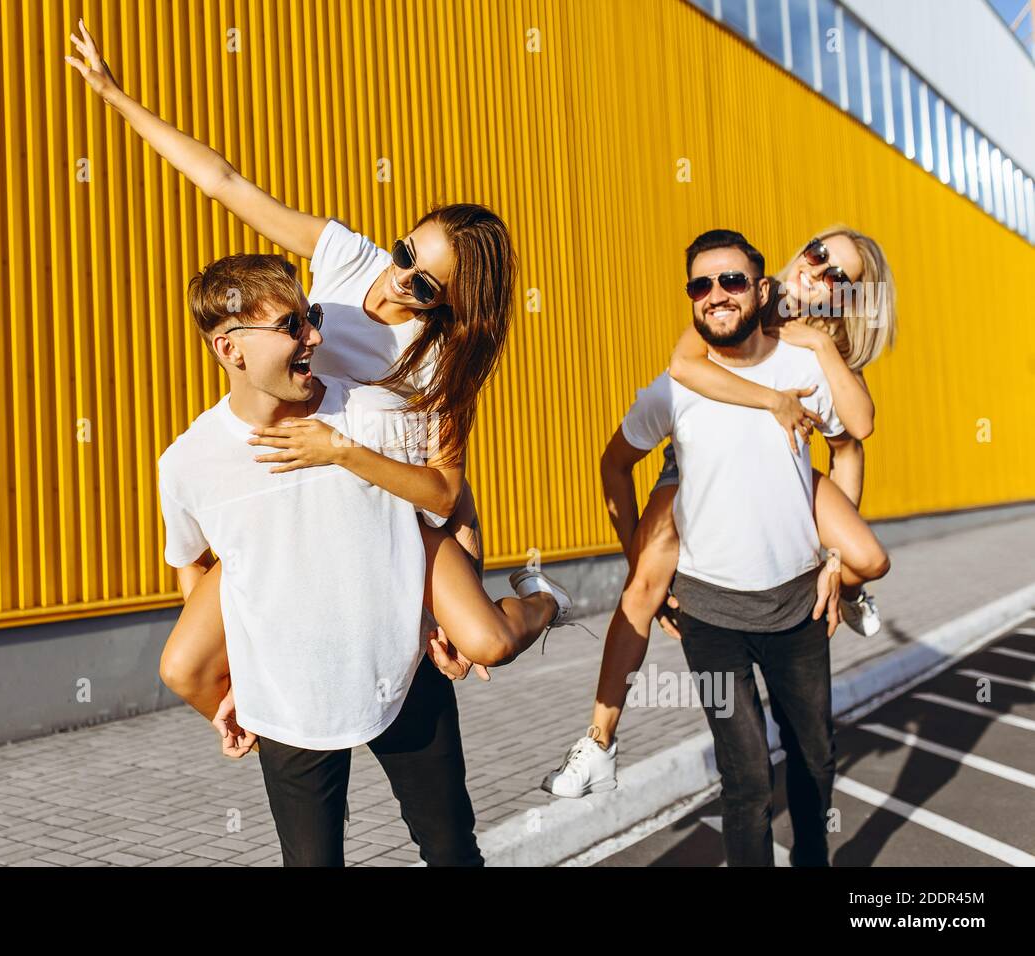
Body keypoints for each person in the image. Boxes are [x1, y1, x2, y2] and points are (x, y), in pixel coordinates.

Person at [66, 20, 578, 757]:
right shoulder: (346, 255)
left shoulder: (440, 365)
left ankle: (545, 600)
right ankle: (254, 713)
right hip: (296, 496)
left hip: (388, 501)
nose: (401, 279)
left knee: (485, 642)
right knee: (182, 666)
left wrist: (349, 459)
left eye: (426, 283)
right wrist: (117, 98)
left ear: (453, 303)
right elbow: (224, 181)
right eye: (407, 252)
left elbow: (442, 495)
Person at [159, 252, 572, 865]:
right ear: (230, 349)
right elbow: (191, 563)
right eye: (292, 326)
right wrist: (235, 673)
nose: (315, 337)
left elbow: (449, 503)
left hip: (403, 675)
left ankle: (546, 602)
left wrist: (459, 611)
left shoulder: (373, 413)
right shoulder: (188, 462)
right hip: (288, 704)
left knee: (453, 852)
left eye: (312, 316)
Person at [544, 226, 896, 799]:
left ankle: (850, 592)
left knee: (867, 558)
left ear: (848, 299)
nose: (819, 272)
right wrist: (774, 401)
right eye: (819, 253)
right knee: (643, 586)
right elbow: (684, 369)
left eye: (840, 278)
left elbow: (854, 438)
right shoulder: (741, 295)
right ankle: (599, 743)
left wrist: (830, 557)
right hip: (703, 458)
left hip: (780, 467)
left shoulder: (816, 346)